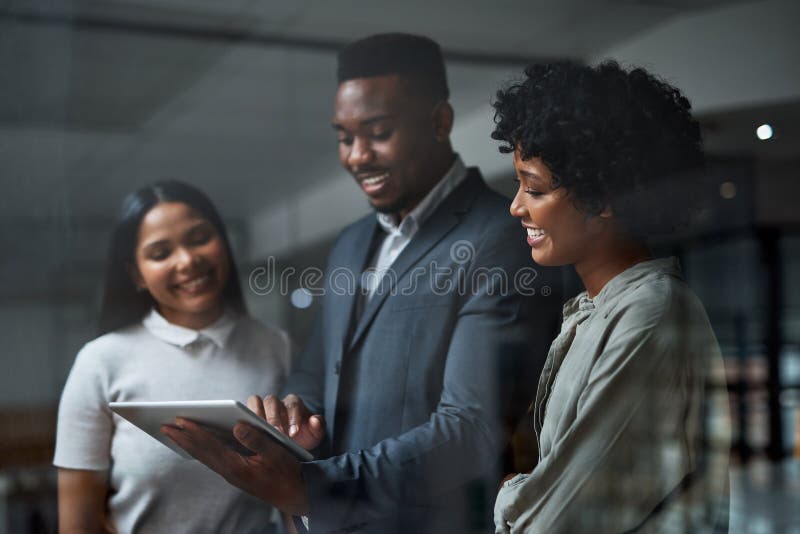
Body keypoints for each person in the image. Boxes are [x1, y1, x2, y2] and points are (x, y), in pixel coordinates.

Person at [163, 33, 563, 533]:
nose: (356, 156)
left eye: (377, 131)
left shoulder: (498, 239)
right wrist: (293, 419)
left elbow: (472, 429)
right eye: (344, 137)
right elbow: (315, 376)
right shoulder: (351, 244)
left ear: (440, 122)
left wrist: (314, 487)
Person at [491, 61, 731, 532]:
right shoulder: (598, 311)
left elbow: (561, 520)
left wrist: (507, 491)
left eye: (534, 187)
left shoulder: (651, 313)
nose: (516, 205)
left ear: (602, 197)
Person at [54, 181, 292, 533]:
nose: (188, 261)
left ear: (223, 242)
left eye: (199, 238)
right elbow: (78, 526)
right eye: (160, 253)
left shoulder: (276, 347)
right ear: (136, 274)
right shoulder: (100, 362)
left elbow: (295, 495)